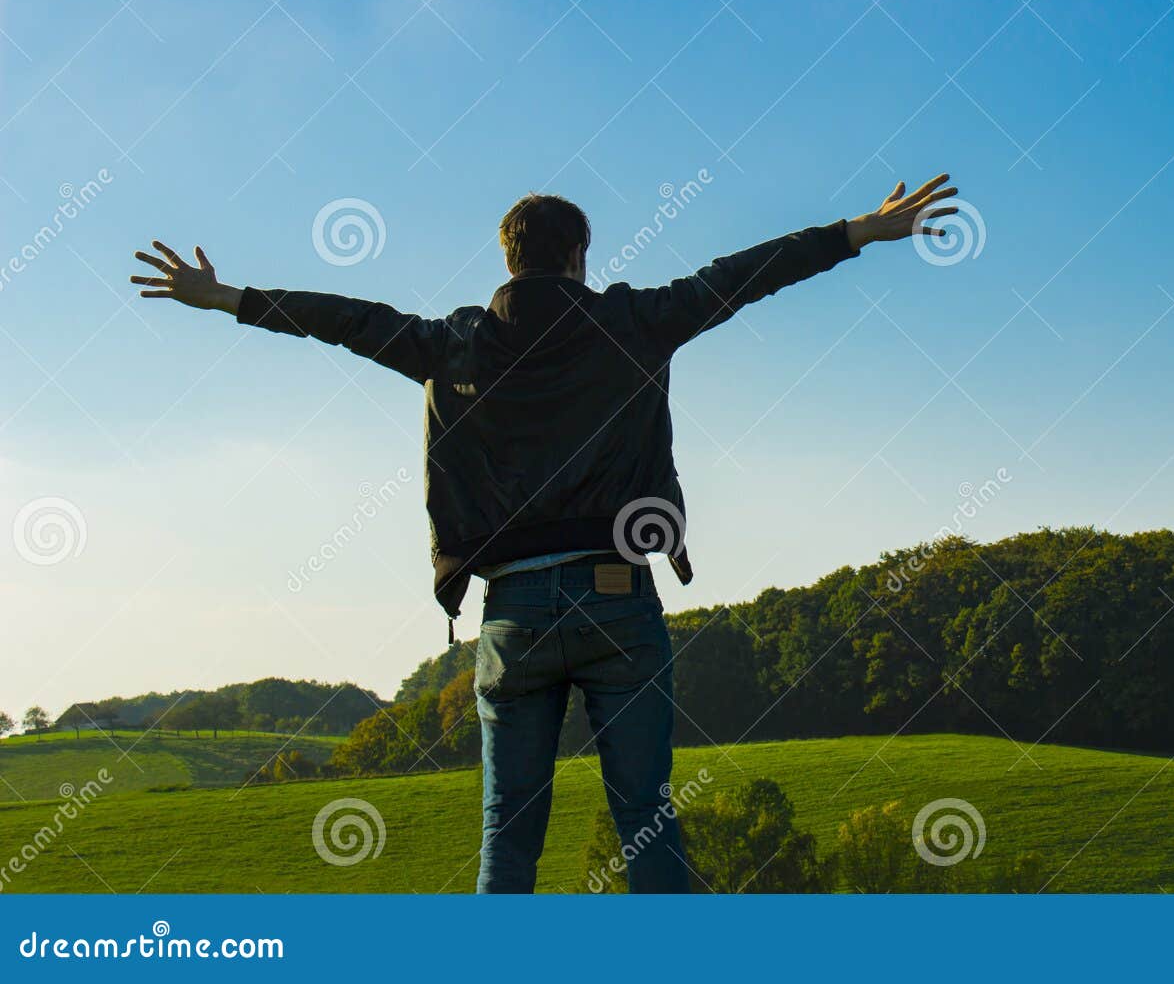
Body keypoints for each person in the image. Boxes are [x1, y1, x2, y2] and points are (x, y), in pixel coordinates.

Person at [129, 173, 960, 892]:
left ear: (509, 259)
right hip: (617, 597)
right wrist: (861, 230)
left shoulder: (453, 344)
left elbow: (349, 319)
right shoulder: (635, 321)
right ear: (577, 255)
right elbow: (743, 276)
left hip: (513, 612)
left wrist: (227, 298)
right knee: (645, 817)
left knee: (508, 833)